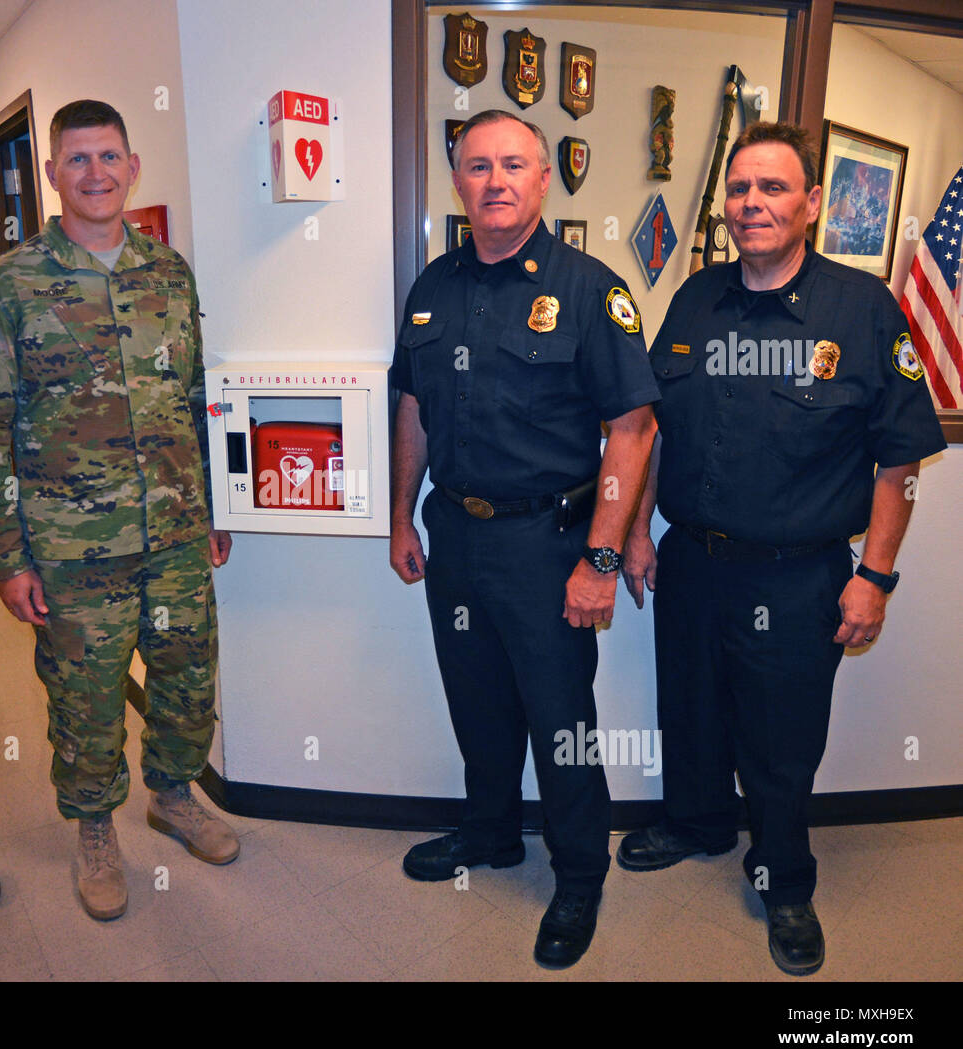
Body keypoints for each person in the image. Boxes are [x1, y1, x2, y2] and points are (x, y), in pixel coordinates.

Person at [618, 122, 947, 976]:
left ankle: (784, 880)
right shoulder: (695, 298)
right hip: (691, 559)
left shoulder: (863, 310)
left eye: (771, 188)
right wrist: (641, 530)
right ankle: (695, 826)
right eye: (739, 189)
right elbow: (656, 426)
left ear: (810, 204)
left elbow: (899, 459)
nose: (751, 203)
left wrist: (874, 575)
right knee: (687, 711)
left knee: (780, 738)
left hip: (799, 575)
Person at [0, 100, 235, 923]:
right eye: (77, 160)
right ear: (51, 175)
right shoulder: (10, 286)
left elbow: (193, 397)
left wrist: (214, 504)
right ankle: (94, 829)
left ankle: (176, 796)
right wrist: (8, 557)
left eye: (109, 156)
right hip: (72, 548)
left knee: (187, 680)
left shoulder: (169, 274)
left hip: (177, 533)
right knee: (87, 700)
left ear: (132, 165)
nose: (96, 174)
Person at [389, 110, 659, 969]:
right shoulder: (432, 285)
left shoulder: (590, 289)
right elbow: (412, 408)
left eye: (513, 165)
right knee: (477, 701)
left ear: (544, 180)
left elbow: (634, 428)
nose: (495, 180)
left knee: (560, 719)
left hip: (550, 546)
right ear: (458, 182)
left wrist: (603, 558)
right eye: (477, 166)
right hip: (455, 538)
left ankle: (580, 874)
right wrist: (400, 512)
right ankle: (492, 834)